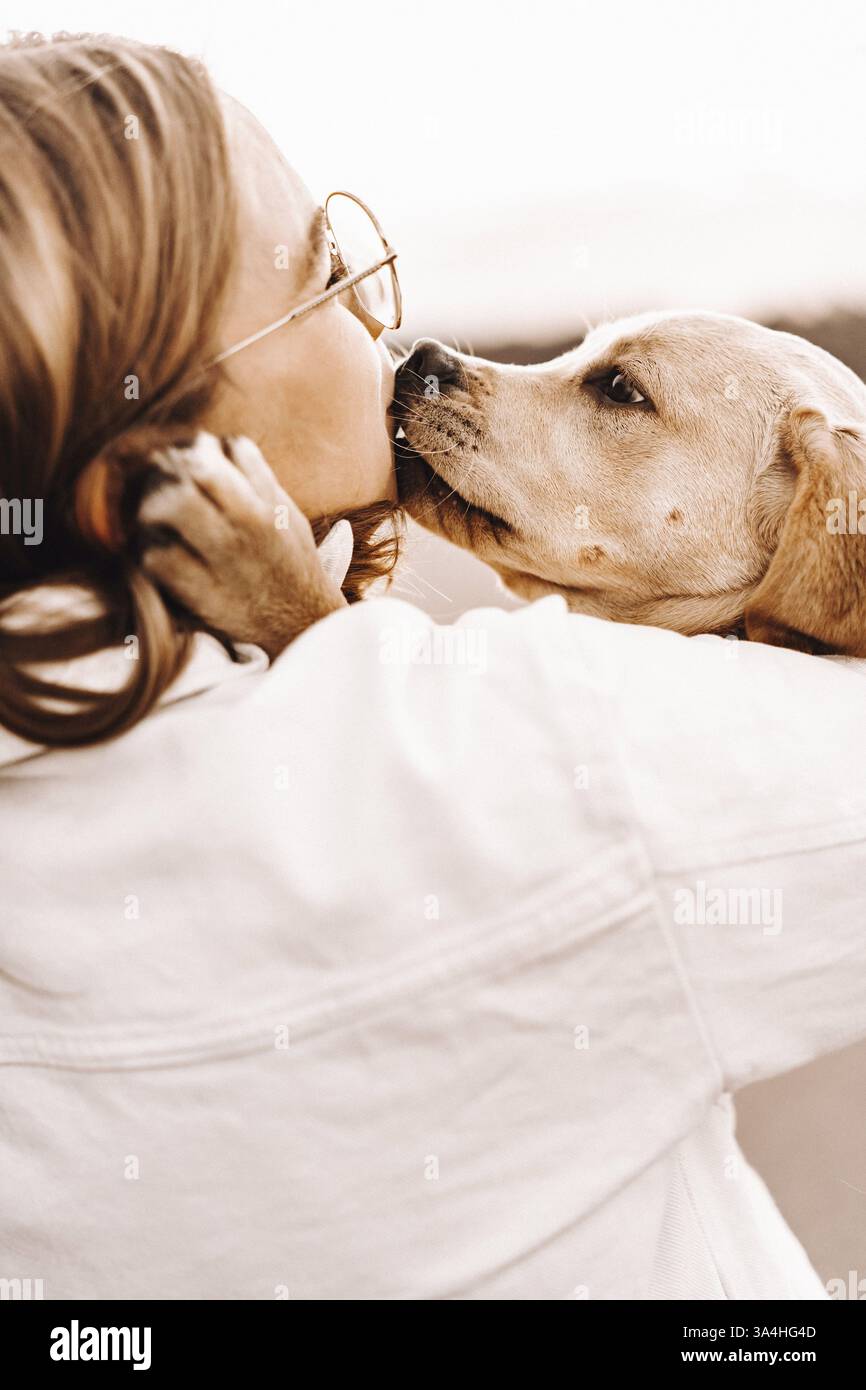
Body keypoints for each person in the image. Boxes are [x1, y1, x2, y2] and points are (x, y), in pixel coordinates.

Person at [1, 31, 864, 1300]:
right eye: (325, 273)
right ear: (160, 424)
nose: (399, 333)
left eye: (608, 393)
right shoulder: (595, 766)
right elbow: (442, 787)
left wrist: (309, 630)